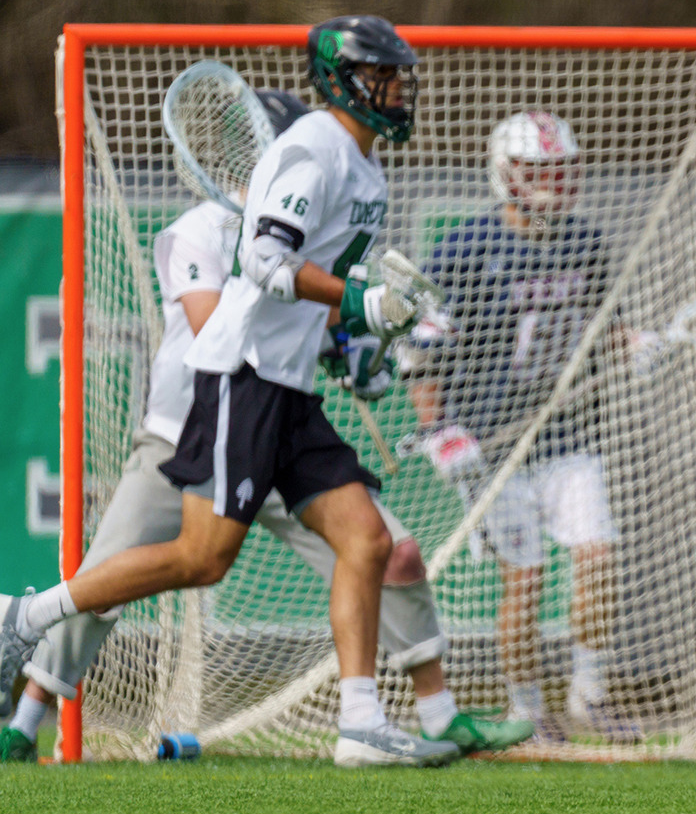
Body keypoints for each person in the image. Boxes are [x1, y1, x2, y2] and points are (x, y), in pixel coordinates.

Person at [0, 85, 532, 764]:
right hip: (187, 431)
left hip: (276, 421)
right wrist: (351, 306)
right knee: (125, 571)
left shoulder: (315, 233)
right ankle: (24, 716)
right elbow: (214, 326)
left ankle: (431, 715)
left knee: (385, 548)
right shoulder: (205, 230)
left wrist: (369, 344)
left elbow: (321, 320)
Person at [408, 110, 622, 741]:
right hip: (492, 441)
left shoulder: (584, 242)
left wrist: (632, 344)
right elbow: (422, 350)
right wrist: (436, 428)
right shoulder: (467, 249)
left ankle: (589, 694)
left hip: (567, 435)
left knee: (597, 557)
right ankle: (528, 710)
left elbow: (603, 328)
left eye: (561, 170)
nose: (553, 183)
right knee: (523, 582)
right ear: (507, 175)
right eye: (539, 171)